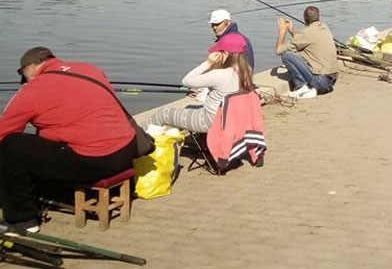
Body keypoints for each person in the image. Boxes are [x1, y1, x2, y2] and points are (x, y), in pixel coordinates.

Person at [0, 47, 139, 232]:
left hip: (95, 161)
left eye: (22, 73)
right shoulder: (89, 69)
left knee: (12, 146)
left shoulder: (32, 90)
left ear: (30, 68)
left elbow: (4, 132)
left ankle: (23, 220)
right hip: (127, 151)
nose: (23, 79)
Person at [146, 46, 252, 132]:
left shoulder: (220, 74)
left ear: (226, 53)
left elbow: (186, 81)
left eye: (219, 51)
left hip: (210, 121)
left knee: (164, 113)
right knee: (189, 107)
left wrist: (208, 63)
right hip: (233, 120)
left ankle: (136, 141)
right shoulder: (247, 72)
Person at [274, 6, 341, 98]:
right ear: (319, 16)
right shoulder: (324, 28)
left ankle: (301, 85)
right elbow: (304, 40)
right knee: (298, 54)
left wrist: (282, 31)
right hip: (332, 80)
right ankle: (309, 87)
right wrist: (292, 31)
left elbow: (279, 50)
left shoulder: (306, 33)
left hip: (321, 80)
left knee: (286, 55)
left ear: (304, 18)